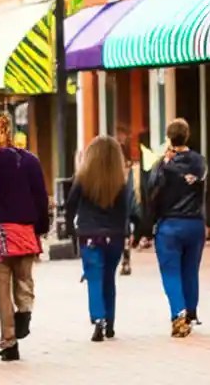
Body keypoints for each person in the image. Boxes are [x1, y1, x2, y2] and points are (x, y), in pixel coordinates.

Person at [0, 110, 48, 362]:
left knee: (2, 291)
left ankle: (9, 342)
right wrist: (41, 227)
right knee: (24, 280)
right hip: (25, 232)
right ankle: (24, 312)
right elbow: (41, 198)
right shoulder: (30, 160)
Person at [66, 135, 136, 343]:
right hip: (113, 235)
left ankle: (98, 319)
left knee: (94, 277)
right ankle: (110, 322)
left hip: (89, 234)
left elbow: (71, 204)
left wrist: (71, 228)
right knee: (108, 278)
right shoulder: (120, 182)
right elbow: (125, 210)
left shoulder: (83, 178)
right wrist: (125, 235)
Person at [148, 118, 207, 337]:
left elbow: (151, 192)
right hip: (194, 223)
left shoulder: (162, 165)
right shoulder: (199, 162)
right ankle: (191, 312)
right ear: (187, 135)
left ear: (169, 137)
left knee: (171, 271)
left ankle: (178, 312)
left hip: (169, 225)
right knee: (190, 270)